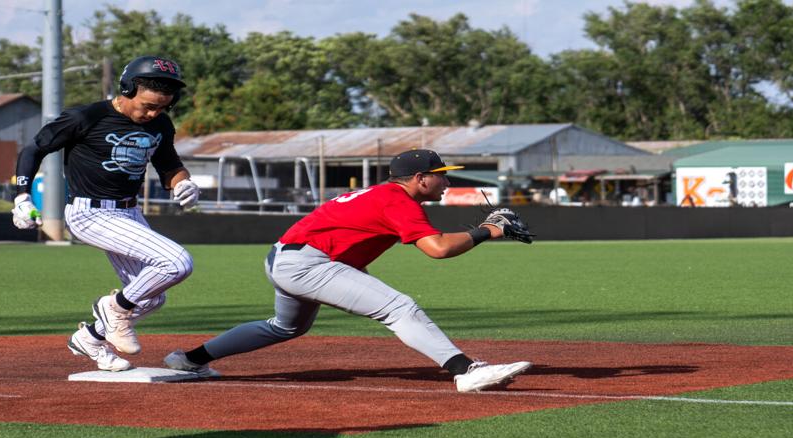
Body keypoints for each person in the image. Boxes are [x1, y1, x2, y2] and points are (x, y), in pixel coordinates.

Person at [164, 148, 534, 393]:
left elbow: (348, 242)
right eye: (441, 174)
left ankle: (189, 360)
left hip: (285, 258)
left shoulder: (380, 195)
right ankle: (465, 371)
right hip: (306, 264)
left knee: (285, 326)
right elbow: (437, 250)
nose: (447, 181)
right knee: (398, 307)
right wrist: (490, 230)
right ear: (420, 178)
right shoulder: (397, 200)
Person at [11, 55, 200, 373]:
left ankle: (90, 338)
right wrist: (20, 196)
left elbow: (169, 166)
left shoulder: (160, 124)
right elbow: (34, 149)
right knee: (177, 262)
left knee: (152, 297)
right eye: (148, 105)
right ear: (127, 89)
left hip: (129, 214)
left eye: (161, 107)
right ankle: (113, 308)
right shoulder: (86, 117)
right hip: (90, 213)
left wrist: (185, 184)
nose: (153, 113)